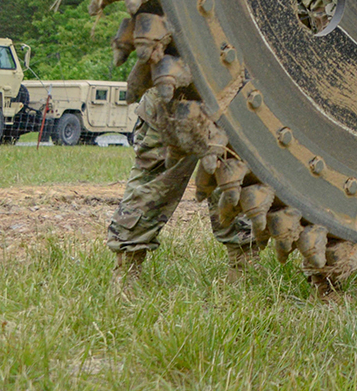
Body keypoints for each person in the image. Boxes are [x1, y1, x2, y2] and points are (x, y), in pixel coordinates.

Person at [108, 83, 255, 282]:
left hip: (232, 95)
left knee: (233, 183)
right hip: (175, 93)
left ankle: (243, 271)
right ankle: (126, 273)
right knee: (154, 186)